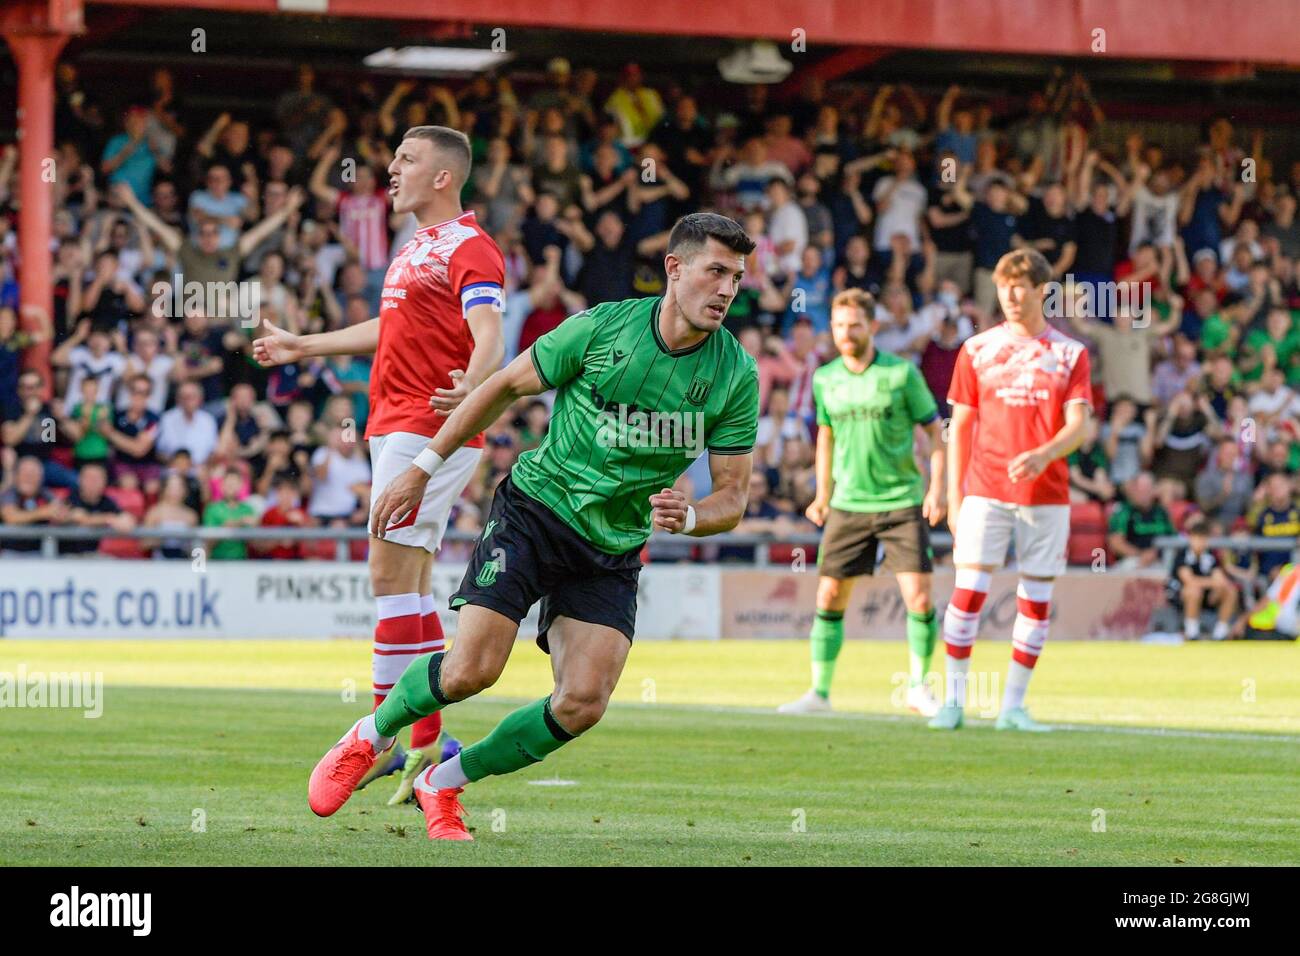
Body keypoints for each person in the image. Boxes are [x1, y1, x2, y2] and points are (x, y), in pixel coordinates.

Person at [307, 212, 759, 841]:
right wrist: (421, 468)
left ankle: (443, 782)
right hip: (536, 512)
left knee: (583, 703)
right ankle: (370, 735)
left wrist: (690, 516)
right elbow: (502, 387)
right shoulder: (601, 327)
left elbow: (733, 497)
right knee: (470, 671)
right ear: (674, 268)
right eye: (716, 272)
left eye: (736, 277)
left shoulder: (735, 374)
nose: (727, 290)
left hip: (612, 545)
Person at [255, 125, 503, 806]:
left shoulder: (470, 247)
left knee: (388, 578)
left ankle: (378, 739)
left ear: (443, 176)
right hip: (394, 421)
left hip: (427, 426)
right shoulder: (415, 246)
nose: (390, 168)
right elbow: (391, 330)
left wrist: (473, 383)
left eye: (406, 159)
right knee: (412, 586)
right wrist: (304, 346)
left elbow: (490, 333)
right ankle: (427, 739)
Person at [932, 248, 1092, 732]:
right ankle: (953, 702)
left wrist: (1045, 453)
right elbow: (960, 426)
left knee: (1036, 599)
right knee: (968, 591)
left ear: (1043, 291)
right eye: (1004, 286)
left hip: (1046, 494)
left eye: (1021, 286)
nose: (1011, 295)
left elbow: (1080, 426)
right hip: (986, 488)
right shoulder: (976, 349)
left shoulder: (1070, 353)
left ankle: (1013, 707)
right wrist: (955, 496)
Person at [777, 289, 945, 717]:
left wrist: (937, 489)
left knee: (919, 598)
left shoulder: (902, 373)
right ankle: (819, 693)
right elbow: (826, 437)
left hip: (900, 499)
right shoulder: (825, 378)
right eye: (838, 326)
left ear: (873, 326)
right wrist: (822, 494)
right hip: (848, 503)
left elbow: (934, 431)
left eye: (854, 325)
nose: (845, 333)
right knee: (830, 595)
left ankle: (919, 687)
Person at [1165, 515, 1238, 641]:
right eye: (1197, 538)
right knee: (1194, 591)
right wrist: (1213, 583)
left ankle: (1220, 634)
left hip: (1206, 595)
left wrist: (1217, 586)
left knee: (1230, 591)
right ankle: (1192, 633)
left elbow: (1220, 579)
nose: (1200, 542)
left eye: (1203, 538)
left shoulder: (1210, 556)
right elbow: (1190, 581)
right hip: (1181, 596)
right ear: (1190, 538)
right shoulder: (1182, 555)